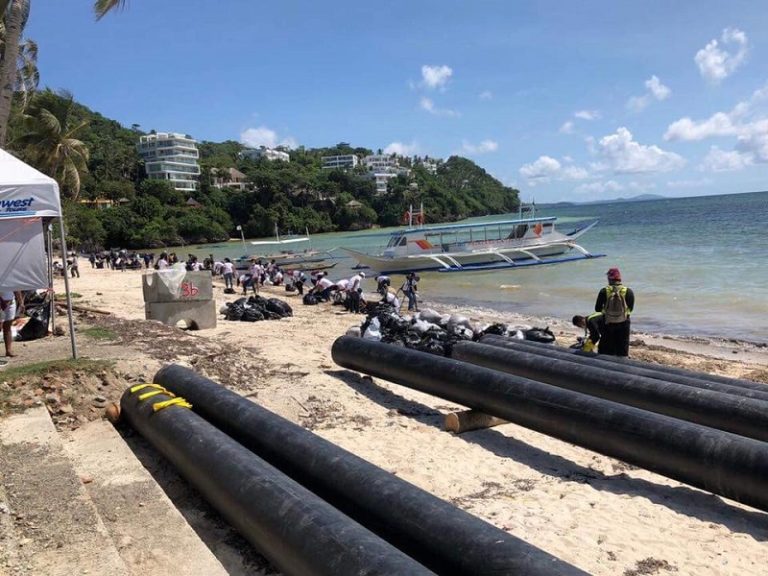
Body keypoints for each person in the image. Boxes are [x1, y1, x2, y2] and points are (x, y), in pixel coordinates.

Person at [594, 267, 635, 357]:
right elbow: (630, 309)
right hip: (624, 323)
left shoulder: (604, 291)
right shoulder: (628, 291)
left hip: (607, 323)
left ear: (609, 278)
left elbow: (597, 309)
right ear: (620, 278)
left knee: (605, 350)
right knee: (622, 350)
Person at [1, 291, 24, 357]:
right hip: (1, 302)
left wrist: (21, 302)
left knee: (7, 327)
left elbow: (17, 289)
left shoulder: (11, 280)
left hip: (11, 303)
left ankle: (8, 350)